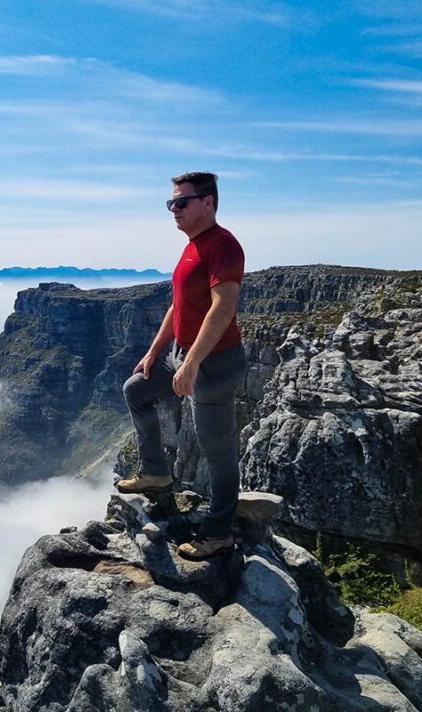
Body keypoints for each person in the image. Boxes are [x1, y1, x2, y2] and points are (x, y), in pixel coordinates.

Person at [117, 171, 247, 561]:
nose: (173, 209)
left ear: (207, 203)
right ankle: (156, 471)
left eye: (181, 202)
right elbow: (179, 305)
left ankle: (219, 532)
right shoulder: (192, 245)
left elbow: (224, 306)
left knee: (216, 450)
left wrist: (192, 362)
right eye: (170, 203)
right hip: (183, 352)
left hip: (215, 362)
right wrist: (156, 350)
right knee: (136, 389)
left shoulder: (222, 245)